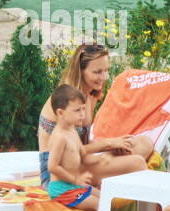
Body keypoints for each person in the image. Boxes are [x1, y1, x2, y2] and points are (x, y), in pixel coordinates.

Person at [38, 44, 150, 185]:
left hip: (80, 160)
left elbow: (82, 144)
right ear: (81, 71)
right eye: (97, 72)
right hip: (60, 173)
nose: (103, 77)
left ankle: (108, 168)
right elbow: (71, 149)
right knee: (136, 163)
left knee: (143, 143)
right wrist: (108, 144)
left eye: (106, 71)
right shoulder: (66, 101)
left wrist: (114, 147)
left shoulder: (90, 96)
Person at [43, 84, 102, 211]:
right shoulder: (60, 136)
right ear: (61, 113)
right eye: (77, 110)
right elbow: (52, 166)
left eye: (83, 109)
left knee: (106, 197)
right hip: (62, 189)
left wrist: (104, 160)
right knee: (102, 206)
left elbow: (82, 154)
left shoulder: (72, 131)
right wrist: (76, 180)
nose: (82, 114)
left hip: (73, 186)